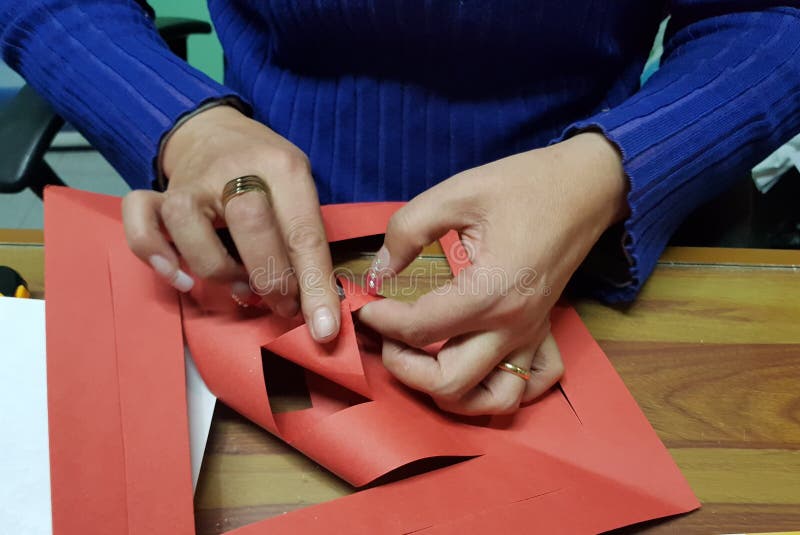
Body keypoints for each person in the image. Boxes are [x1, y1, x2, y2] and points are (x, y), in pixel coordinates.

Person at [2, 1, 798, 416]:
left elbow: (771, 18)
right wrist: (180, 121)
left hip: (589, 236)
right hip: (259, 251)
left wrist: (613, 168)